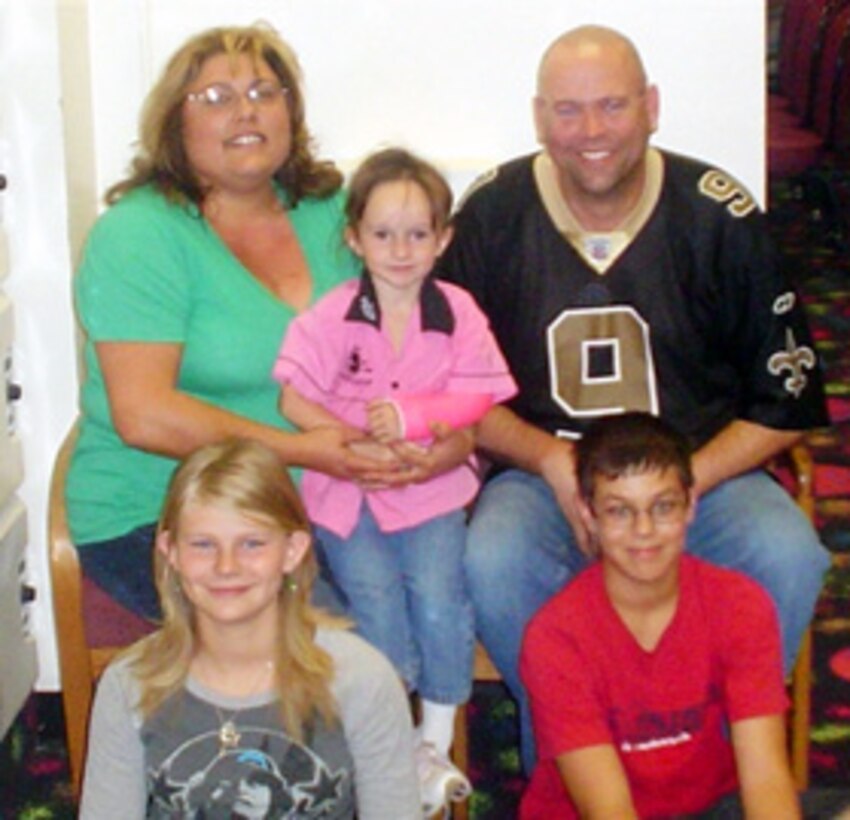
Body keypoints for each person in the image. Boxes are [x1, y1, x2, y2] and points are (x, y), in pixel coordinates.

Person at [438, 24, 831, 769]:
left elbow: (786, 398)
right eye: (568, 110)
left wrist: (678, 489)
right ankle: (574, 758)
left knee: (789, 553)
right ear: (538, 116)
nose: (591, 131)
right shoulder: (491, 215)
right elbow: (446, 388)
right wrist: (551, 460)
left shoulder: (718, 212)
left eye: (612, 106)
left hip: (702, 470)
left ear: (651, 105)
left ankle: (699, 759)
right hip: (541, 475)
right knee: (492, 558)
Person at [66, 24, 471, 621]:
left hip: (325, 497)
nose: (244, 111)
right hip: (168, 511)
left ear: (291, 110)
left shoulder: (338, 212)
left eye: (264, 92)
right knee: (339, 653)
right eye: (216, 98)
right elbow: (143, 413)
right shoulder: (138, 234)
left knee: (442, 599)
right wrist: (302, 450)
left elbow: (427, 344)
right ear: (174, 122)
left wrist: (446, 443)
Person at [273, 147, 517, 814]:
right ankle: (394, 741)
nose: (401, 250)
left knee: (440, 598)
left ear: (443, 239)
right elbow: (294, 401)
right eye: (383, 234)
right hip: (346, 498)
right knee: (375, 602)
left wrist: (418, 421)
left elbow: (480, 397)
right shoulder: (333, 314)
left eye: (418, 234)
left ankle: (433, 737)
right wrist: (349, 443)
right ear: (354, 238)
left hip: (432, 491)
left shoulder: (459, 311)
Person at [80, 438, 421, 819]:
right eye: (203, 545)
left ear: (292, 550)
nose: (227, 566)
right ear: (170, 552)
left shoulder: (361, 678)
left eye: (252, 544)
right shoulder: (131, 682)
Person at [519, 412, 800, 819]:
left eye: (663, 506)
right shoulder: (556, 636)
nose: (644, 529)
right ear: (587, 514)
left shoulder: (741, 604)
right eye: (619, 511)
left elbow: (766, 779)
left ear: (691, 504)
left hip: (708, 807)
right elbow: (608, 810)